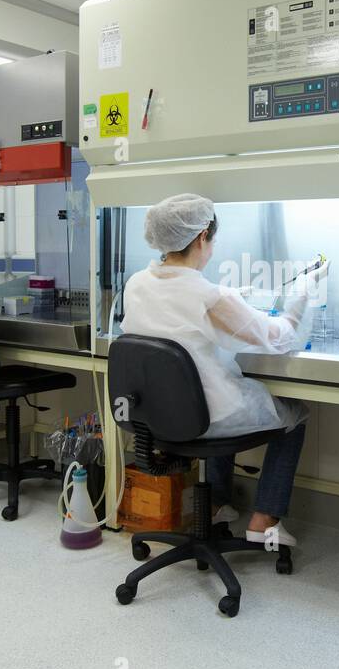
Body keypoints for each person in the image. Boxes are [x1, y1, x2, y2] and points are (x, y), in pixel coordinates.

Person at [120, 193, 328, 548]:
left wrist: (232, 297)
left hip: (154, 416)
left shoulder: (137, 283)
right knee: (294, 415)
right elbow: (279, 338)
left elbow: (182, 316)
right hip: (206, 415)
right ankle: (264, 520)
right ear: (203, 237)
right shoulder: (209, 296)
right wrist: (302, 296)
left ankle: (216, 503)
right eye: (212, 240)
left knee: (224, 399)